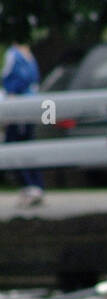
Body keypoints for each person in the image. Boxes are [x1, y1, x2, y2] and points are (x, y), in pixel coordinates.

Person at [2, 42, 45, 206]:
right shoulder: (29, 54)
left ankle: (30, 185)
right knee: (28, 145)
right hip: (32, 106)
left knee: (15, 146)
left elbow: (9, 81)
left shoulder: (13, 54)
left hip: (18, 107)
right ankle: (35, 185)